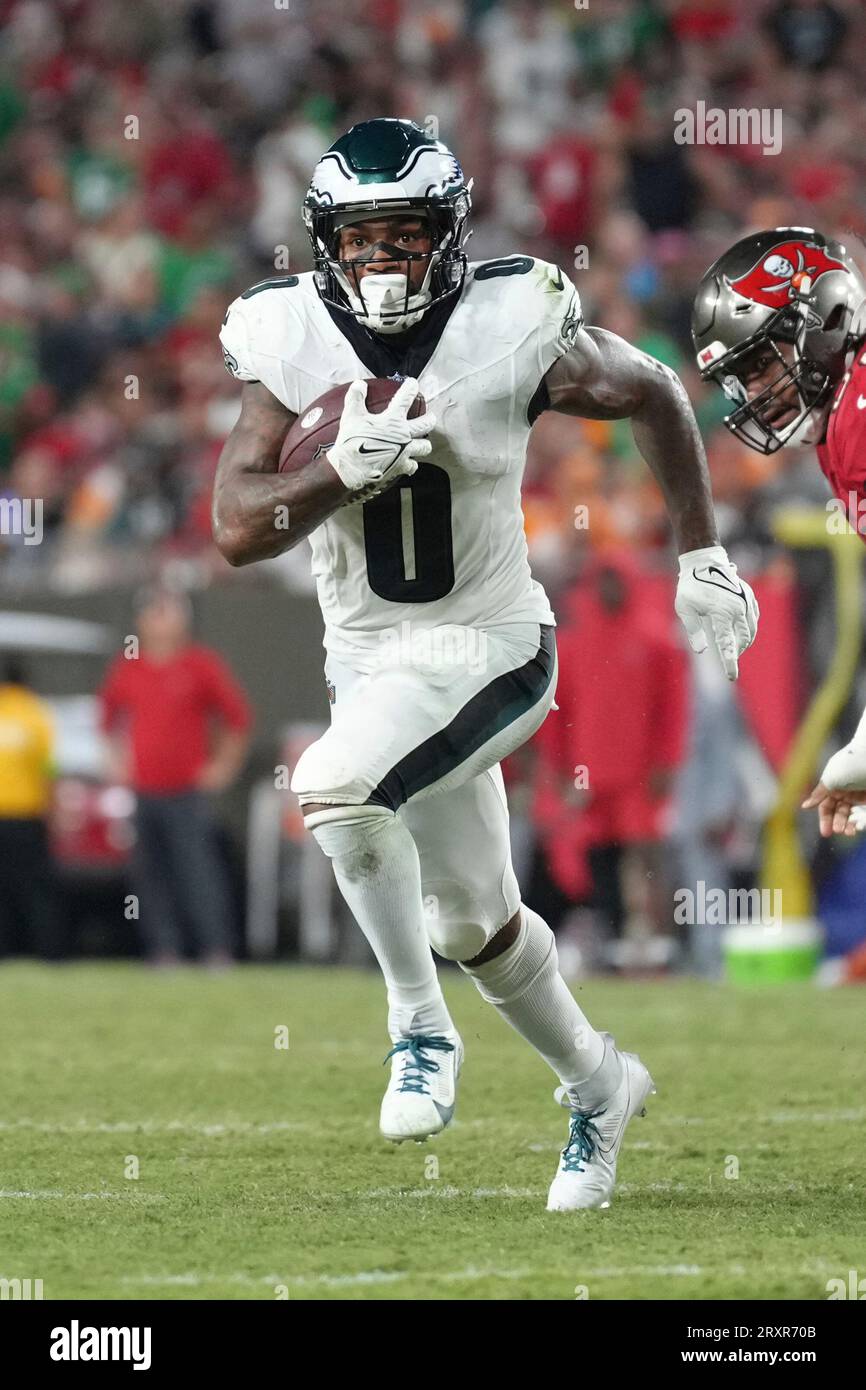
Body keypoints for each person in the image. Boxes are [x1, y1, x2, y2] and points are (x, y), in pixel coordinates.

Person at [213, 118, 758, 1212]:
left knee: (329, 785)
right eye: (359, 241)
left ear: (448, 237)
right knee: (475, 921)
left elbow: (650, 387)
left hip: (494, 644)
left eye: (404, 236)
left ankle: (416, 1024)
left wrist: (700, 552)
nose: (381, 263)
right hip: (369, 663)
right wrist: (335, 475)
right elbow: (236, 525)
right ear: (324, 246)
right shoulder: (287, 340)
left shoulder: (510, 321)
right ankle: (597, 1085)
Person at [691, 227, 866, 836]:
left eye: (762, 363)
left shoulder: (855, 422)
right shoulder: (841, 422)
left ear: (826, 318)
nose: (756, 394)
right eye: (742, 377)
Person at [99, 585, 251, 967]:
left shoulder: (201, 664)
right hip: (144, 790)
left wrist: (222, 767)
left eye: (167, 612)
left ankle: (216, 950)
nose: (160, 620)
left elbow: (237, 718)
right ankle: (163, 951)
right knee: (150, 877)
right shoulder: (129, 665)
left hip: (186, 792)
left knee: (200, 873)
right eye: (153, 612)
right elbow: (106, 720)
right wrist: (117, 764)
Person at [0, 654, 64, 958]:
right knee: (36, 891)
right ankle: (49, 951)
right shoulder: (36, 714)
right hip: (27, 817)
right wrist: (52, 812)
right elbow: (49, 769)